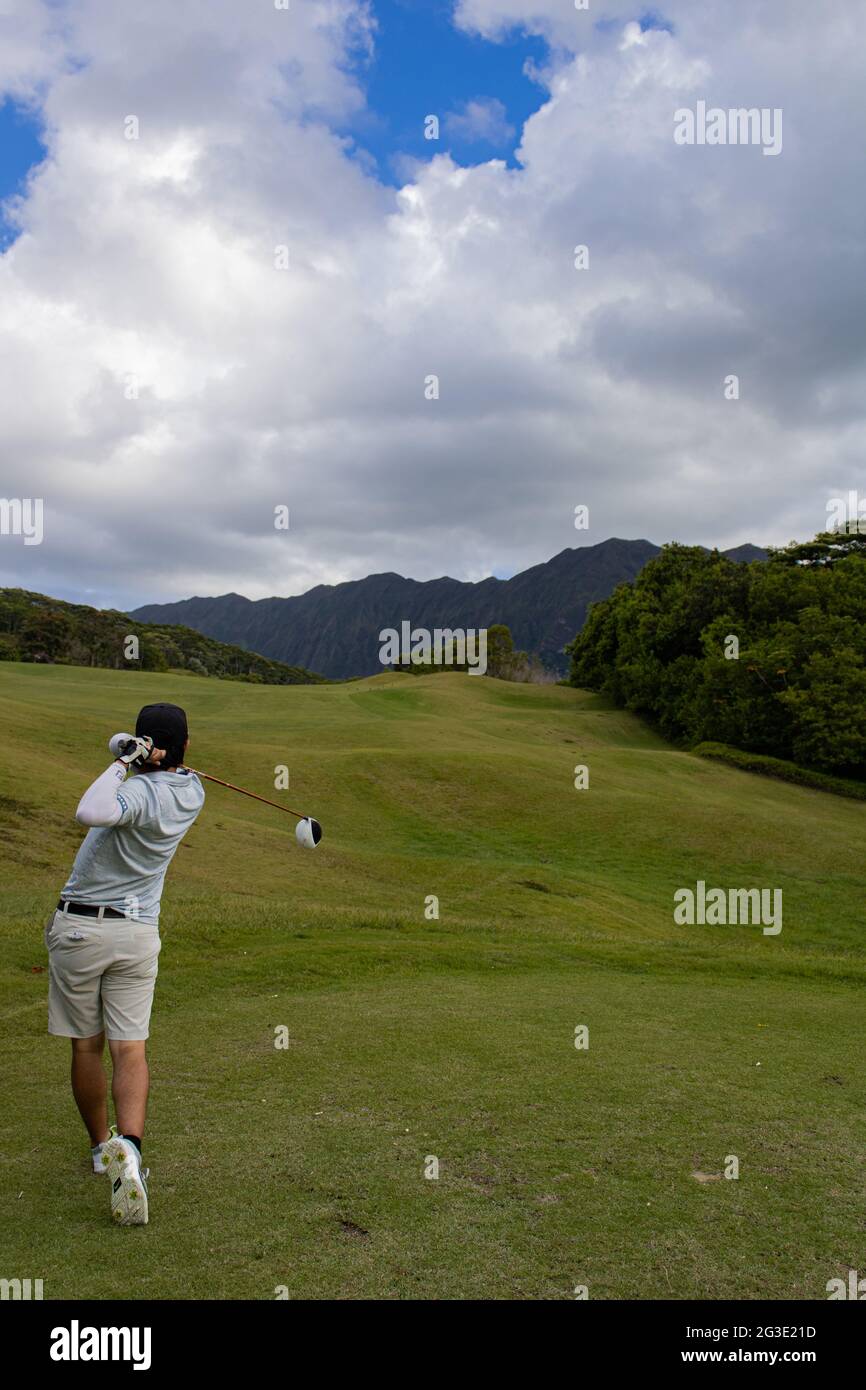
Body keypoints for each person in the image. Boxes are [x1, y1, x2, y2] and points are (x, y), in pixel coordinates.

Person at [46, 702, 204, 1225]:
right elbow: (132, 747)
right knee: (130, 1048)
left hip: (83, 930)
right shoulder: (192, 791)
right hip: (138, 934)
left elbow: (89, 811)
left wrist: (122, 762)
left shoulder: (134, 793)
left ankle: (102, 1149)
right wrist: (135, 750)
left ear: (147, 747)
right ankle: (131, 1147)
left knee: (86, 1045)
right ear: (185, 746)